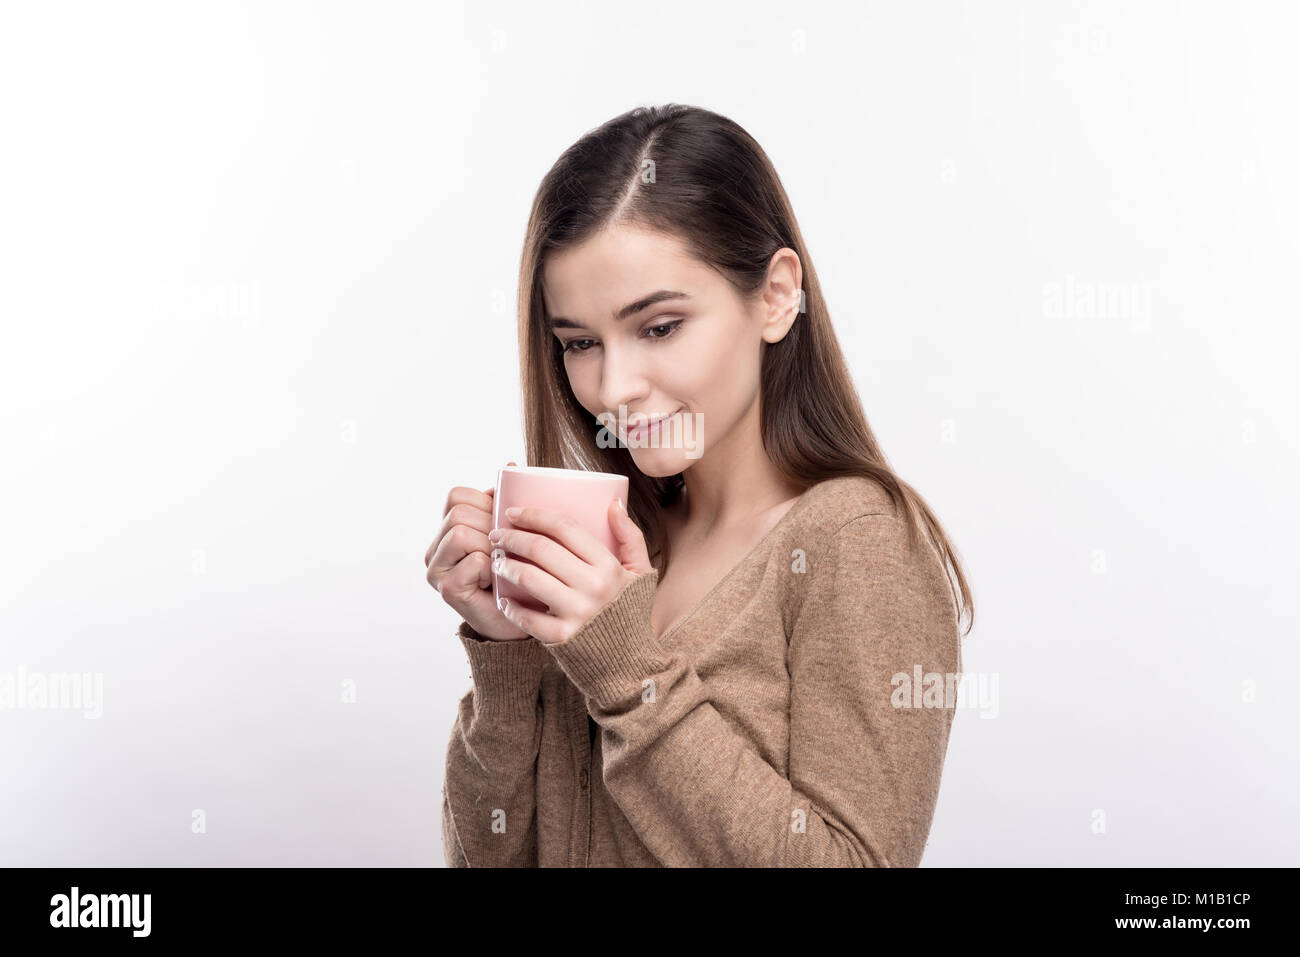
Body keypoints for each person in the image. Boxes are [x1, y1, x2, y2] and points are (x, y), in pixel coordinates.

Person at [425, 103, 973, 867]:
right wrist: (505, 653)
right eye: (579, 342)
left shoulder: (856, 540)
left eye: (658, 327)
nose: (613, 386)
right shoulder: (616, 547)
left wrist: (625, 673)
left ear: (777, 295)